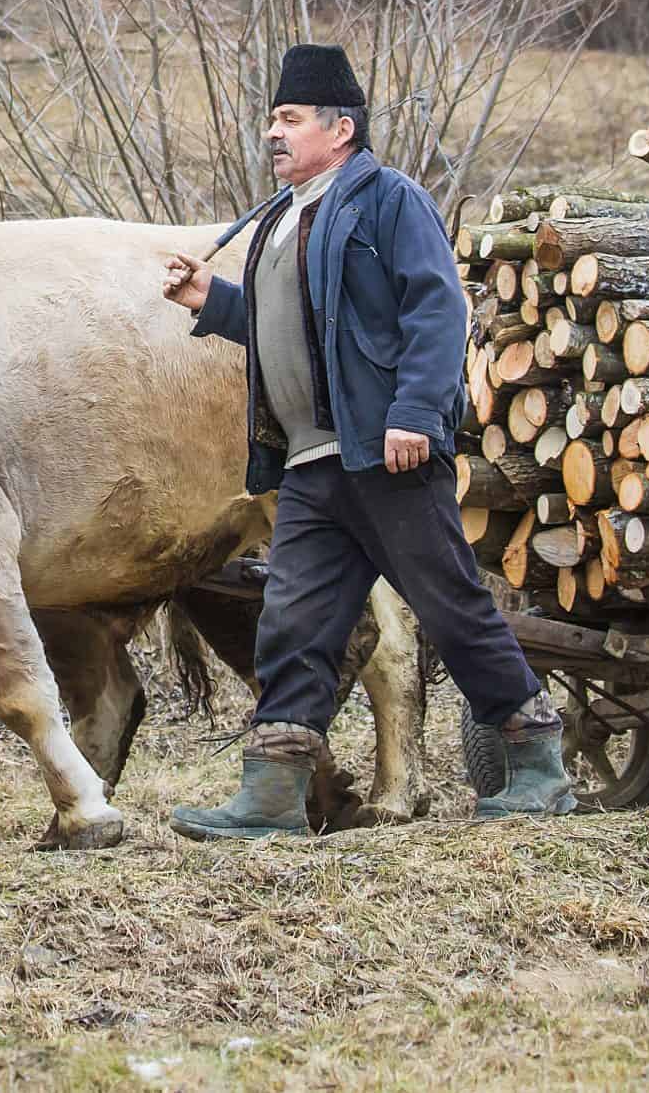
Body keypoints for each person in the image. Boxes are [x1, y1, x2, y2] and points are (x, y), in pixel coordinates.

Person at [162, 44, 572, 836]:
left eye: (290, 119)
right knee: (293, 621)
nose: (272, 133)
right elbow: (291, 327)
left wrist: (417, 414)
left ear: (341, 126)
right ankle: (273, 793)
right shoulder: (282, 219)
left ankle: (536, 763)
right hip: (313, 459)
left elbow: (436, 307)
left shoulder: (389, 199)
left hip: (388, 453)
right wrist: (213, 299)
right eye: (271, 119)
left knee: (450, 605)